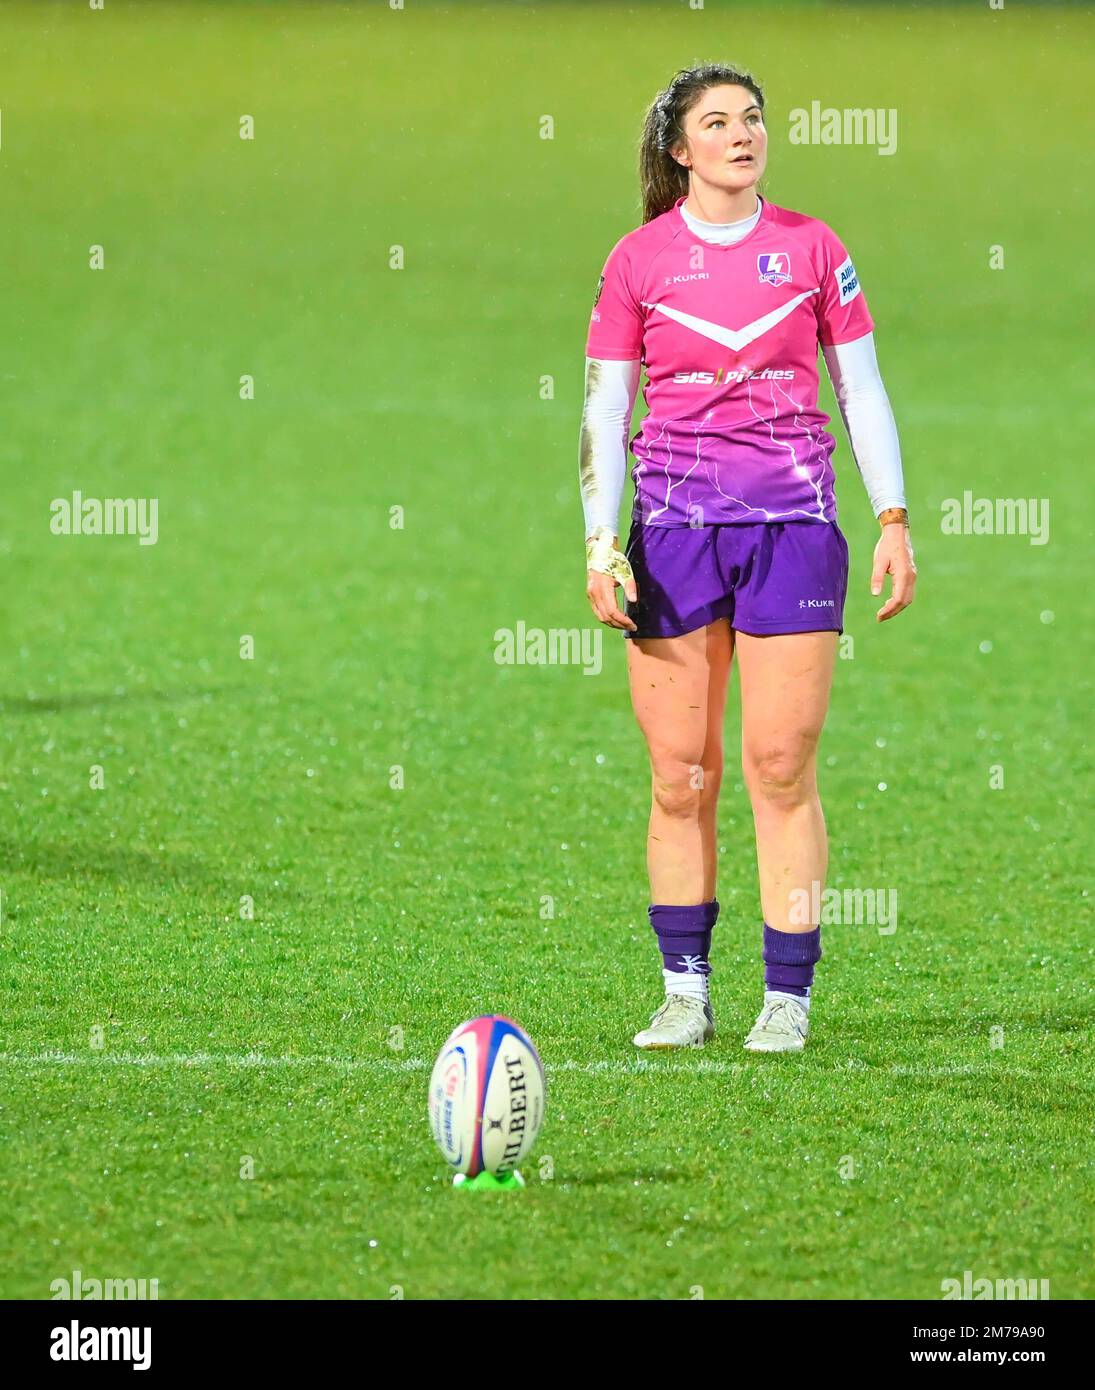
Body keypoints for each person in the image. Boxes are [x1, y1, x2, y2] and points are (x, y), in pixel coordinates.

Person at [579, 62, 916, 1053]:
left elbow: (862, 388)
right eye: (718, 122)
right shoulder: (637, 262)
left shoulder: (814, 250)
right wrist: (602, 541)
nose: (743, 134)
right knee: (682, 772)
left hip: (794, 534)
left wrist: (892, 516)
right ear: (679, 151)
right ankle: (685, 992)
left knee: (779, 763)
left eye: (754, 118)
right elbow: (605, 406)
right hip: (675, 538)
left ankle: (788, 997)